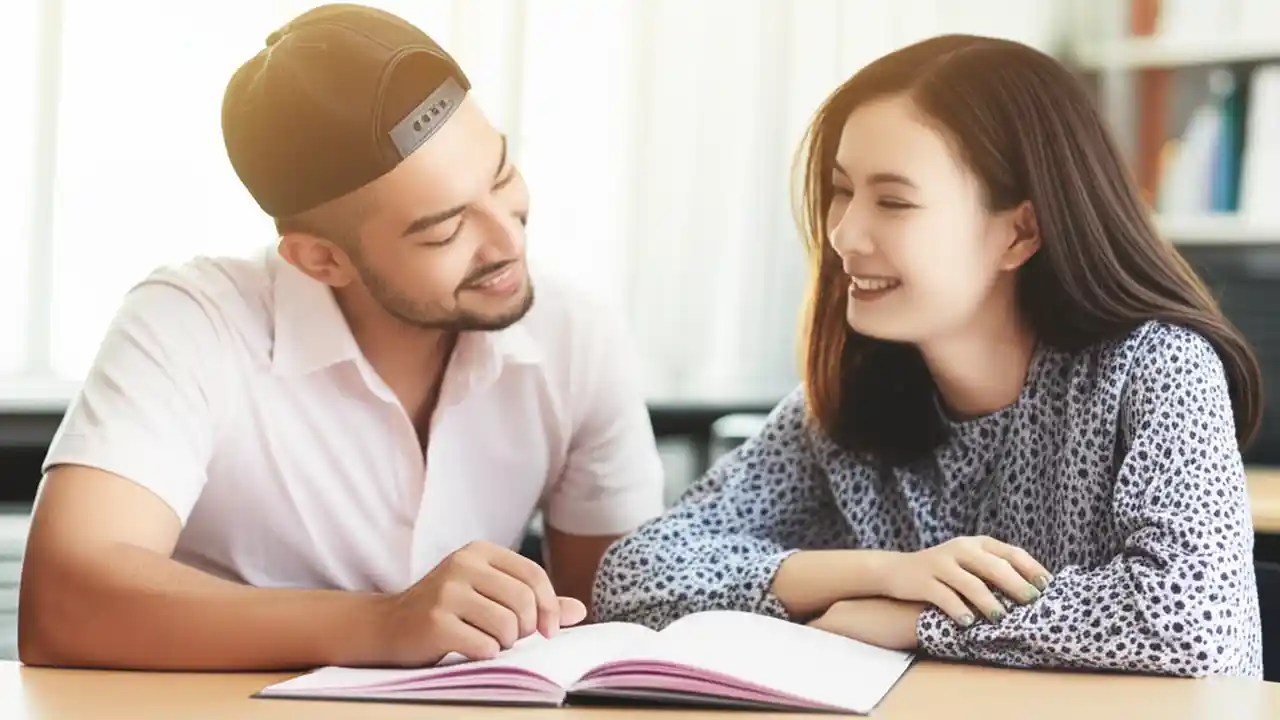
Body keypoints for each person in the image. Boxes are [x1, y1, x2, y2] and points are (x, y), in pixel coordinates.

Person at [593, 34, 1263, 677]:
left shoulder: (1158, 368)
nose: (844, 232)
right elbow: (635, 574)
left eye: (893, 201)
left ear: (1018, 233)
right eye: (841, 190)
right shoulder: (843, 404)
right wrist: (886, 573)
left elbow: (1190, 619)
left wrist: (915, 620)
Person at [19, 3, 664, 670]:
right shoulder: (192, 321)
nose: (508, 239)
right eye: (444, 229)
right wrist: (385, 624)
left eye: (501, 176)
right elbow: (63, 602)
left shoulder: (575, 339)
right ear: (321, 260)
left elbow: (618, 620)